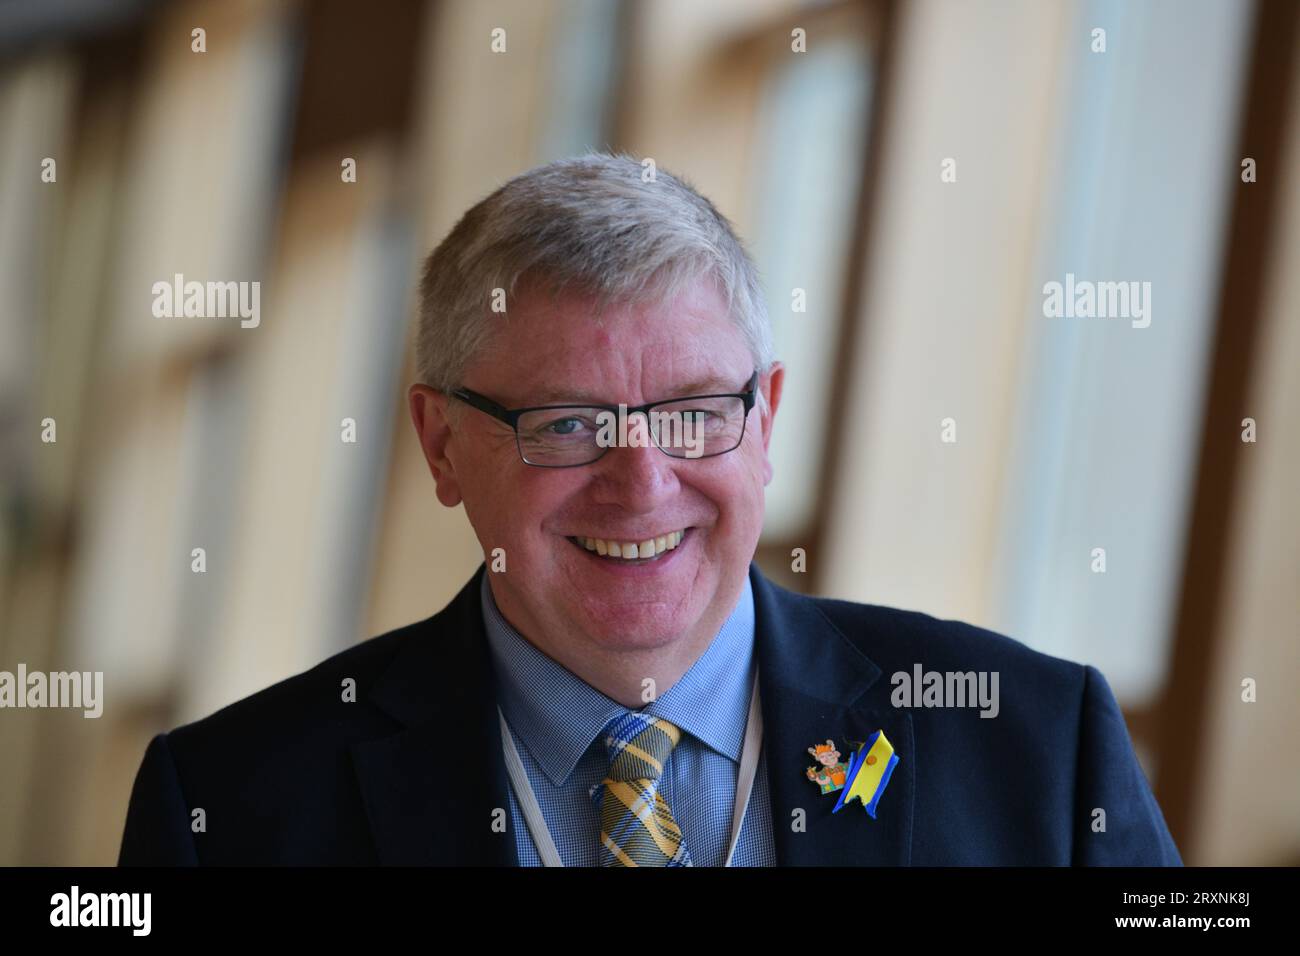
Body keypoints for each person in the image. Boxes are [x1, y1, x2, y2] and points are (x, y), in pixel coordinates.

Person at [119, 152, 1181, 866]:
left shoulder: (1036, 751)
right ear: (441, 442)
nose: (642, 480)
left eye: (693, 411)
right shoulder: (232, 810)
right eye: (566, 422)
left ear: (764, 417)